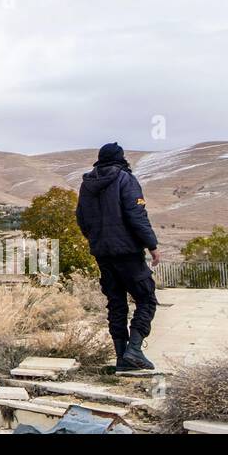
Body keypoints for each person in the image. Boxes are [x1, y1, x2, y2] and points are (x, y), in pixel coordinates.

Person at [75, 142, 160, 371]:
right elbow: (136, 215)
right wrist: (151, 245)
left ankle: (122, 358)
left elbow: (81, 218)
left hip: (102, 253)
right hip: (127, 252)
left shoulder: (87, 184)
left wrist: (96, 239)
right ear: (121, 158)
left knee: (116, 304)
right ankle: (135, 350)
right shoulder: (125, 179)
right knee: (147, 298)